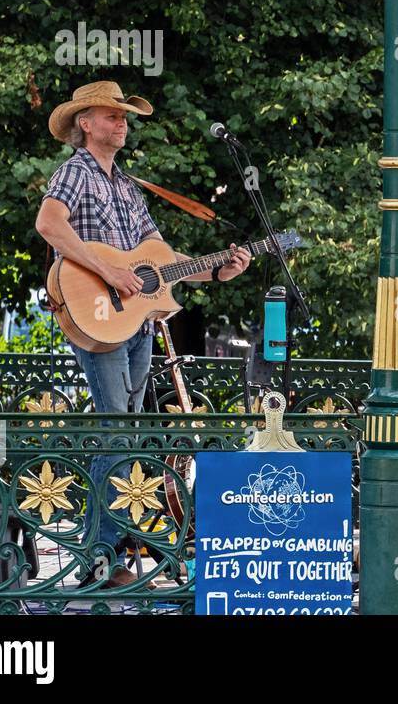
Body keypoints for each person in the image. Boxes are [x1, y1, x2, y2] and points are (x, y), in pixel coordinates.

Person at [35, 81, 252, 587]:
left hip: (132, 321)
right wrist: (107, 271)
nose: (122, 123)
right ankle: (99, 558)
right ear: (84, 124)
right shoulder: (75, 172)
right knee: (115, 430)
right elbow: (49, 224)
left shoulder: (127, 186)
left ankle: (111, 550)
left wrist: (220, 270)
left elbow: (162, 261)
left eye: (125, 117)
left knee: (124, 431)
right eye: (112, 116)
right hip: (97, 313)